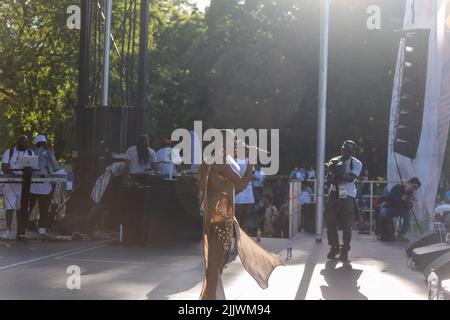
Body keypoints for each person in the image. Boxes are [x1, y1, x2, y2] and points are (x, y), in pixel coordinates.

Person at [198, 130, 281, 300]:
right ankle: (210, 298)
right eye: (232, 142)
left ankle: (211, 295)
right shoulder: (220, 160)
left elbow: (234, 188)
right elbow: (242, 183)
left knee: (222, 255)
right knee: (216, 259)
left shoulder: (215, 159)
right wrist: (251, 161)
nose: (236, 146)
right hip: (219, 215)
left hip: (220, 212)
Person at [325, 140, 362, 262]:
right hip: (334, 193)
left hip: (348, 195)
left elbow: (352, 178)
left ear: (352, 152)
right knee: (330, 222)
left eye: (348, 151)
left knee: (347, 225)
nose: (344, 152)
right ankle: (334, 246)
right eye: (343, 149)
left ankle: (345, 250)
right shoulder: (334, 161)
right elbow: (329, 179)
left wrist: (338, 175)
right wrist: (333, 174)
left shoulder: (356, 163)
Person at [1, 135, 34, 240]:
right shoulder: (9, 152)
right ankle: (8, 230)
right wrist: (12, 172)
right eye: (21, 142)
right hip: (10, 183)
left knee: (21, 208)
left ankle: (19, 231)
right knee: (10, 208)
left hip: (23, 184)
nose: (23, 144)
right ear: (17, 142)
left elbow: (33, 167)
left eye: (25, 142)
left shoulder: (30, 153)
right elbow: (4, 167)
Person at [28, 135, 59, 239]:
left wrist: (50, 152)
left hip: (43, 183)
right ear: (37, 144)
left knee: (42, 207)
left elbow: (54, 167)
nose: (43, 145)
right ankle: (30, 225)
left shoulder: (47, 152)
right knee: (33, 206)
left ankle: (41, 227)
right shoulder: (32, 152)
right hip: (34, 183)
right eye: (41, 143)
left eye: (44, 143)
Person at [377, 177, 421, 242]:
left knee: (408, 214)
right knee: (383, 213)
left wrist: (409, 204)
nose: (413, 189)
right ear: (409, 183)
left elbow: (408, 207)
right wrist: (402, 199)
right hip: (389, 207)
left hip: (399, 210)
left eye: (415, 188)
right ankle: (380, 233)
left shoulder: (410, 194)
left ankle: (402, 234)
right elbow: (391, 198)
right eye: (413, 186)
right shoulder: (397, 187)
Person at [233, 155, 254, 233]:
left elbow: (251, 175)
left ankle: (244, 237)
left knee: (246, 215)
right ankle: (237, 237)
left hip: (247, 189)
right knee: (237, 216)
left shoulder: (248, 160)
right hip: (238, 188)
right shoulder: (232, 160)